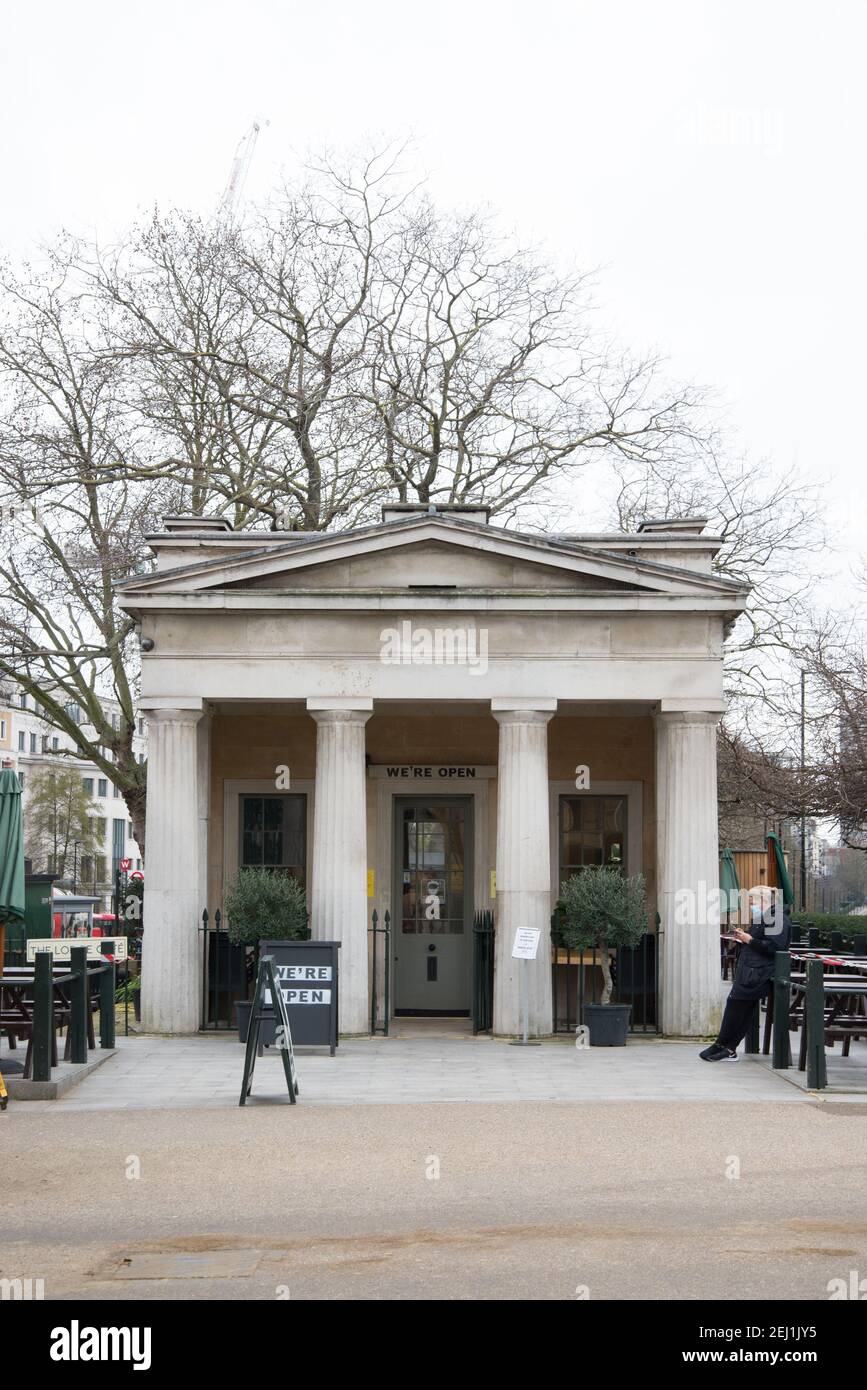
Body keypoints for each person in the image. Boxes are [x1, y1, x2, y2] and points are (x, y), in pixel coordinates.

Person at [700, 889, 792, 1062]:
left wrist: (749, 939)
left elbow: (774, 947)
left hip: (759, 972)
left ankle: (725, 1045)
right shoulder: (767, 918)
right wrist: (745, 937)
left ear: (763, 901)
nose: (751, 907)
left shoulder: (777, 918)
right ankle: (726, 1046)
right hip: (753, 970)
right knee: (742, 1007)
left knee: (736, 1004)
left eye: (752, 903)